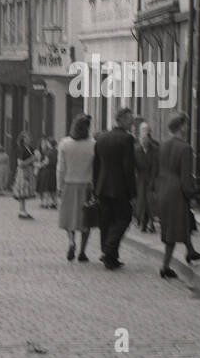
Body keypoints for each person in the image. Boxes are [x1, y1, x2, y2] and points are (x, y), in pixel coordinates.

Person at [155, 112, 200, 278]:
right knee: (173, 231)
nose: (188, 127)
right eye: (186, 124)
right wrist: (192, 194)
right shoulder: (185, 148)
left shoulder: (162, 145)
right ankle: (165, 266)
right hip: (176, 193)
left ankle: (190, 251)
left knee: (176, 225)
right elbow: (185, 177)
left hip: (163, 190)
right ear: (181, 126)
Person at [92, 108, 137, 270]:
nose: (132, 122)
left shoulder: (102, 138)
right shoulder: (127, 139)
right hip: (120, 188)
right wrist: (132, 192)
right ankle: (109, 251)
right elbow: (128, 168)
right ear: (122, 120)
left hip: (102, 187)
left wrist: (95, 187)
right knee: (123, 220)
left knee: (106, 222)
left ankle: (111, 257)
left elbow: (96, 166)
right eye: (130, 119)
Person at [58, 114, 96, 262]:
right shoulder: (93, 144)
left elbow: (60, 168)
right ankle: (83, 251)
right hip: (86, 184)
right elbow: (95, 167)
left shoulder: (64, 143)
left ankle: (71, 241)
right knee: (86, 219)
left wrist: (59, 186)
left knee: (70, 217)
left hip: (69, 183)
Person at [134, 120, 160, 233]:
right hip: (140, 179)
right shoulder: (136, 149)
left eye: (146, 136)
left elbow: (156, 165)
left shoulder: (155, 148)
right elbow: (134, 165)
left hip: (151, 179)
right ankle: (143, 222)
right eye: (142, 137)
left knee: (151, 202)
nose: (144, 140)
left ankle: (150, 222)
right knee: (141, 201)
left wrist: (153, 180)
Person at [12, 132, 37, 219]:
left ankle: (23, 210)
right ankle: (21, 211)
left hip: (29, 171)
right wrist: (32, 159)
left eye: (30, 137)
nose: (29, 139)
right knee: (22, 191)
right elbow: (20, 163)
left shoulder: (30, 148)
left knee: (25, 192)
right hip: (23, 172)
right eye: (27, 138)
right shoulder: (21, 149)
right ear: (23, 139)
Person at [36, 137, 58, 209]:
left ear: (49, 144)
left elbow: (46, 162)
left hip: (47, 171)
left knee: (46, 188)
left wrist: (38, 165)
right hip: (54, 170)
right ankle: (54, 203)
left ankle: (45, 203)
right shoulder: (57, 151)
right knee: (53, 188)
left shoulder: (49, 153)